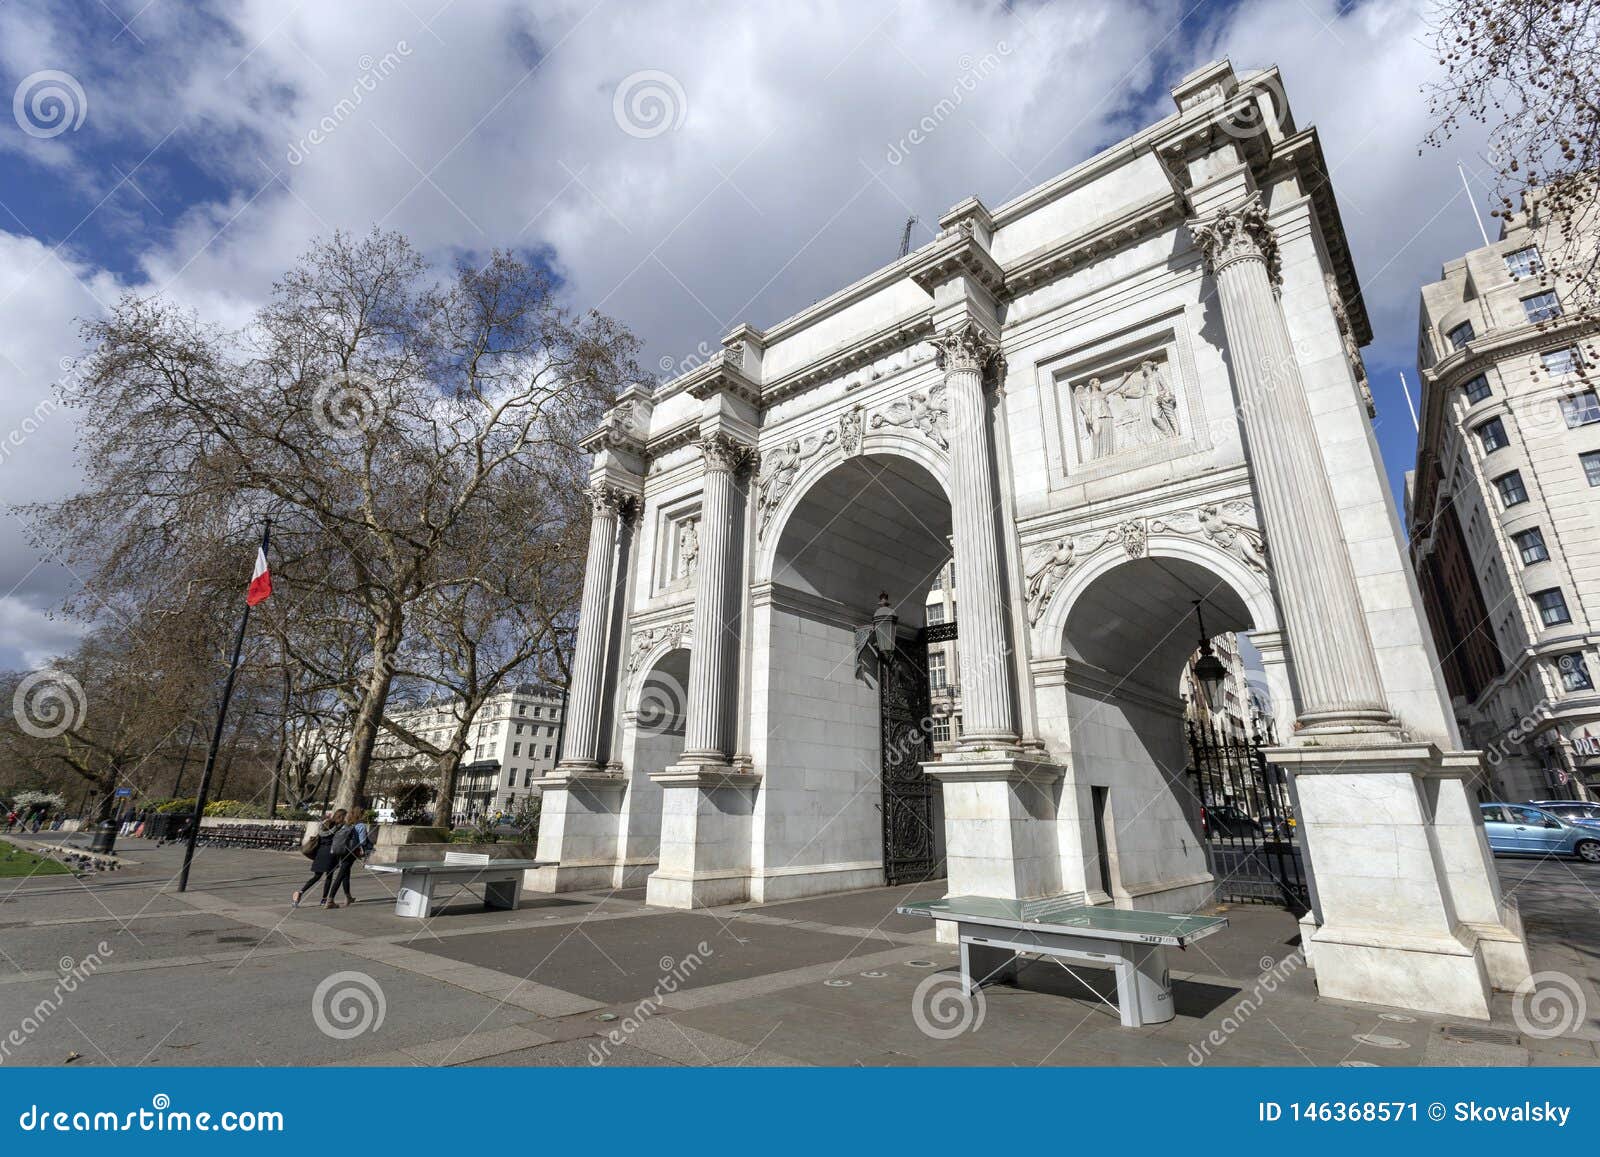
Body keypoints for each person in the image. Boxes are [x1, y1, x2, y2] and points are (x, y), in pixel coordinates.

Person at [292, 809, 347, 909]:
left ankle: (300, 892)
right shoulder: (339, 827)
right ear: (342, 817)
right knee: (329, 877)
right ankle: (324, 899)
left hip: (320, 852)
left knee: (316, 876)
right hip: (330, 853)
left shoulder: (325, 824)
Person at [332, 807, 371, 907]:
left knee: (346, 874)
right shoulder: (361, 825)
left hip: (343, 851)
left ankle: (348, 896)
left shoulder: (347, 824)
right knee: (341, 875)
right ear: (361, 815)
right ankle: (330, 898)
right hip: (352, 852)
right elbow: (362, 841)